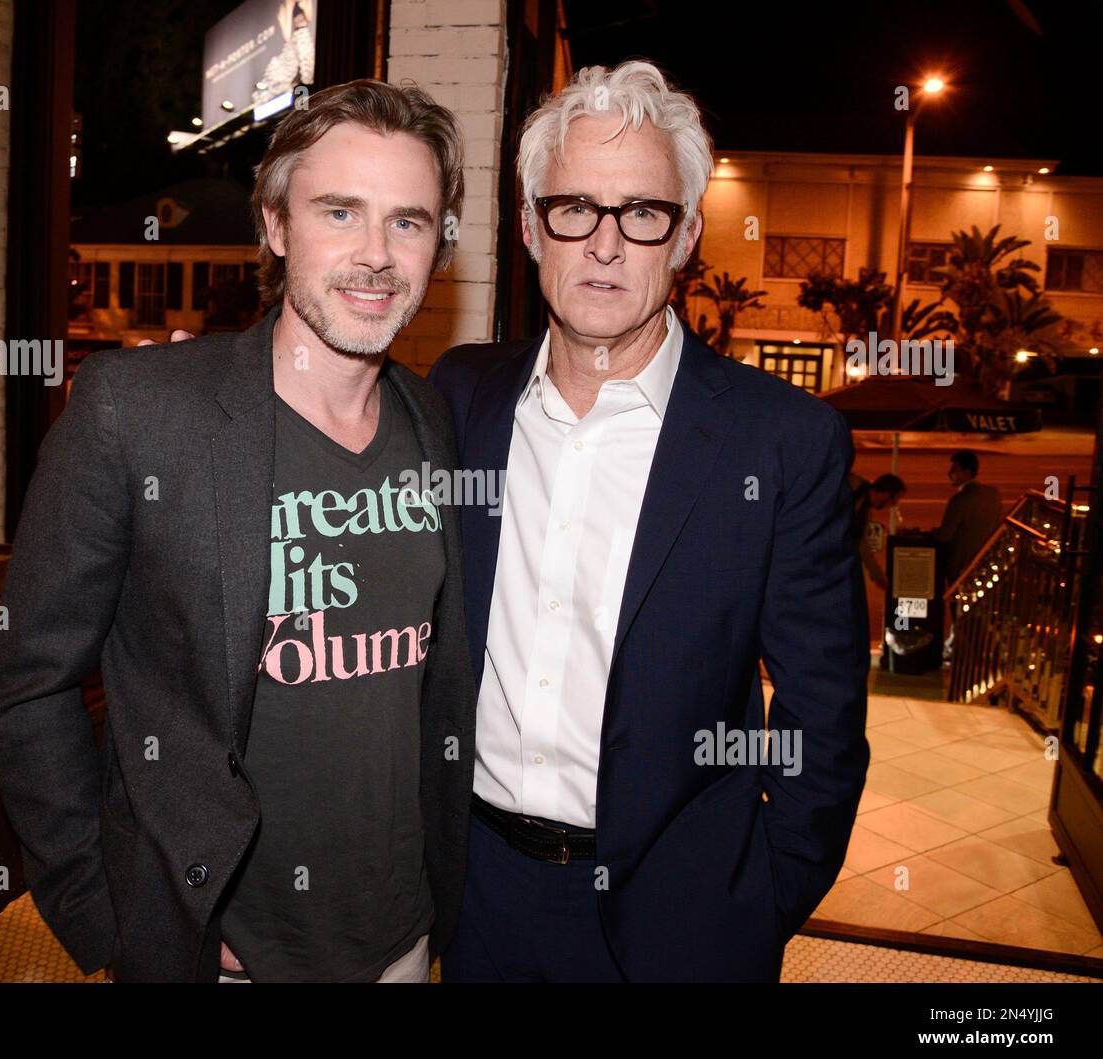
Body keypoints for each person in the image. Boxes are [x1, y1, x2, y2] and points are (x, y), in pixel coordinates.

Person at [0, 80, 477, 983]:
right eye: (340, 212)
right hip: (222, 952)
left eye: (408, 222)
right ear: (276, 225)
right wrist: (109, 916)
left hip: (403, 936)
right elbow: (31, 680)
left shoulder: (432, 422)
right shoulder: (137, 412)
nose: (376, 256)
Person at [429, 61, 869, 982]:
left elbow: (821, 712)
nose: (604, 244)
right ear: (527, 227)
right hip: (476, 898)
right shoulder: (458, 400)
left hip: (686, 918)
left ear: (687, 238)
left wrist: (765, 900)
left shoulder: (783, 440)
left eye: (643, 213)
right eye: (574, 208)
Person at [936, 449, 1003, 586]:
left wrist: (933, 533)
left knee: (958, 604)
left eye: (954, 469)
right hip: (986, 562)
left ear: (966, 473)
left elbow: (946, 535)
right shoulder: (993, 495)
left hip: (962, 565)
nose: (950, 474)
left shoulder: (960, 499)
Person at [848, 472, 906, 590]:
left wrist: (877, 574)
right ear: (886, 494)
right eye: (894, 500)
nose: (893, 505)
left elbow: (861, 543)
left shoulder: (865, 511)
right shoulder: (854, 486)